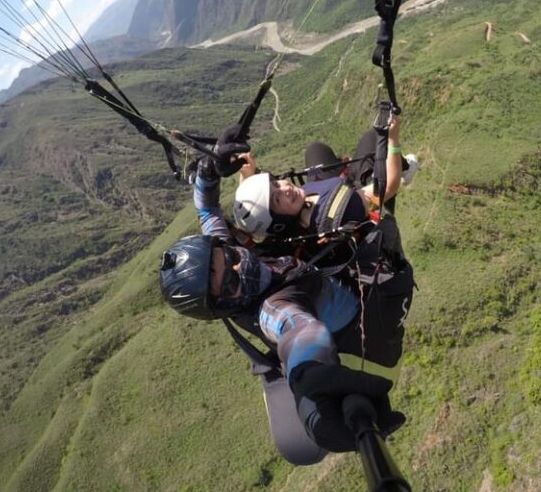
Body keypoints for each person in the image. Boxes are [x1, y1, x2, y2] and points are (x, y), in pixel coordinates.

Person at [158, 135, 415, 463]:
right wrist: (307, 376)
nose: (239, 266)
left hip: (331, 277)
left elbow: (207, 211)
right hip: (370, 313)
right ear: (222, 305)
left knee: (320, 155)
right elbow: (299, 332)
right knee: (379, 212)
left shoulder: (221, 257)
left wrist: (210, 169)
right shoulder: (274, 307)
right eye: (231, 280)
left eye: (230, 256)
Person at [232, 115, 417, 244]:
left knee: (315, 150)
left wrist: (247, 177)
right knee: (375, 137)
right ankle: (405, 169)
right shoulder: (336, 211)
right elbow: (388, 187)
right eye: (277, 199)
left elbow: (253, 227)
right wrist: (392, 139)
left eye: (275, 183)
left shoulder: (279, 233)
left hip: (325, 196)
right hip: (350, 198)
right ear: (278, 223)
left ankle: (346, 172)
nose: (285, 188)